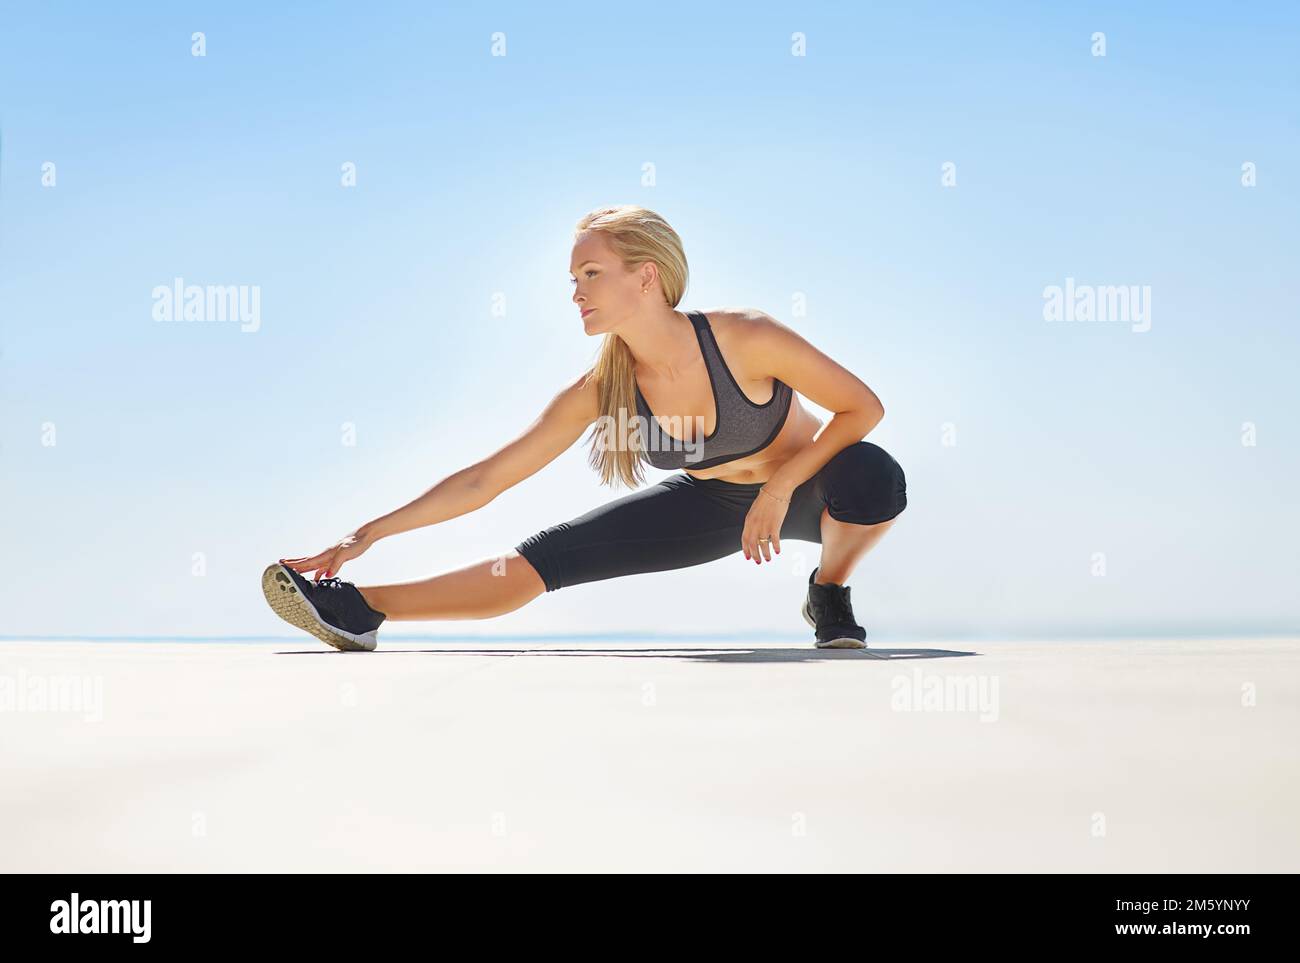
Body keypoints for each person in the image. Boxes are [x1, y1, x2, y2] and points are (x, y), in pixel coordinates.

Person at [261, 205, 907, 652]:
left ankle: (828, 591)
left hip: (812, 490)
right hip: (711, 504)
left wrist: (779, 487)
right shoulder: (603, 388)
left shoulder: (746, 338)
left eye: (592, 274)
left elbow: (863, 407)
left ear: (646, 276)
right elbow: (487, 479)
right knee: (539, 562)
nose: (577, 293)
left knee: (875, 477)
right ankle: (360, 608)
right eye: (573, 279)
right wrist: (365, 533)